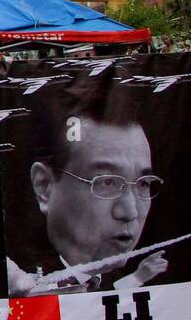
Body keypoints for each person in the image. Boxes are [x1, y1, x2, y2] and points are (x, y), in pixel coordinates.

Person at [11, 103, 167, 293]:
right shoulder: (20, 279)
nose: (130, 212)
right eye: (107, 182)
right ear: (44, 186)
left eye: (143, 183)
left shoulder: (128, 279)